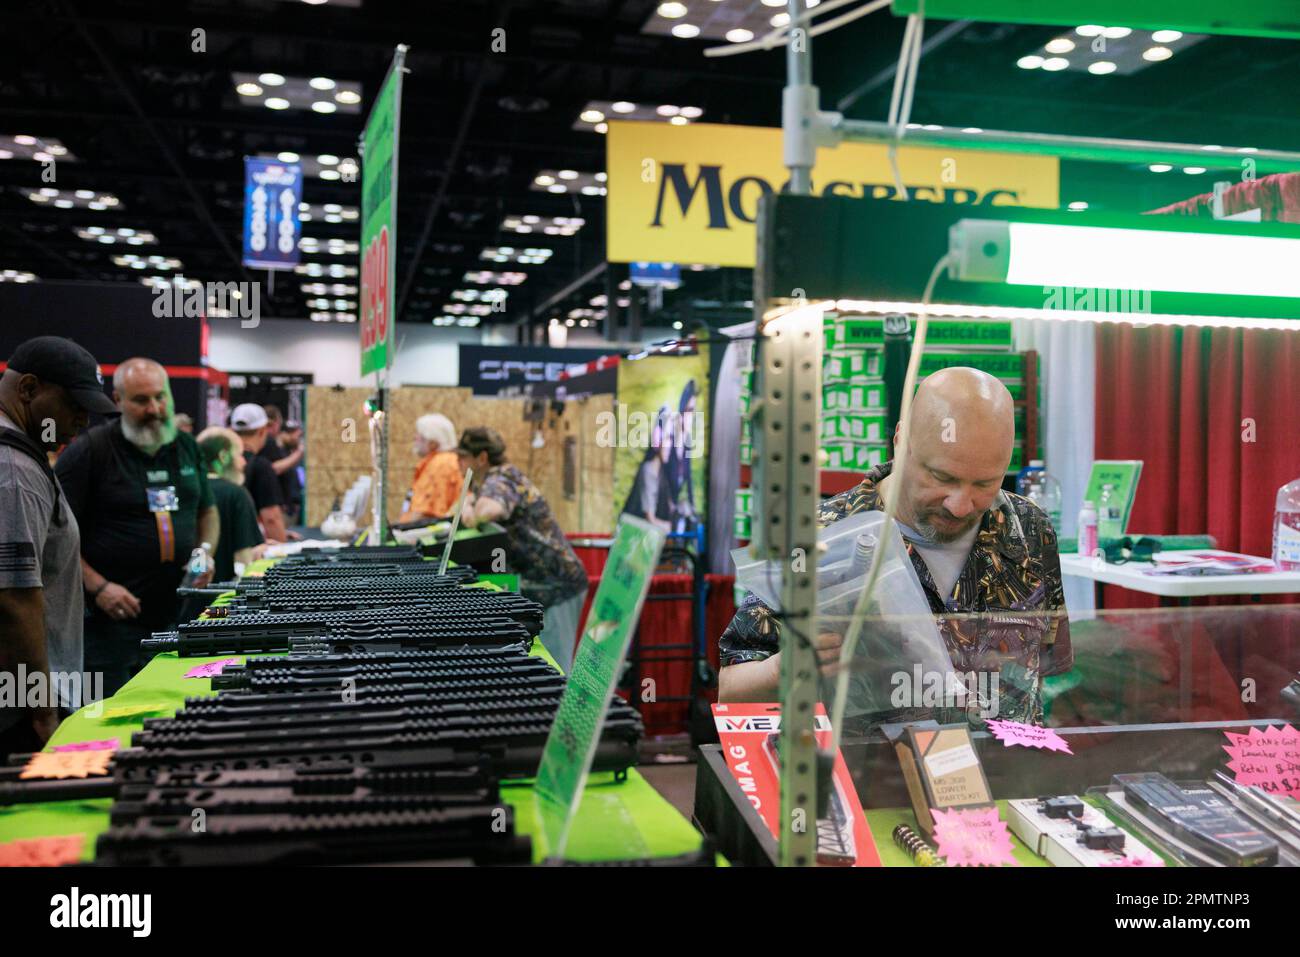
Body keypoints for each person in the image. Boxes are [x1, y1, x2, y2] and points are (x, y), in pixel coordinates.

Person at [718, 367, 1071, 726]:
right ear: (901, 442)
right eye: (942, 477)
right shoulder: (820, 539)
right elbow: (731, 691)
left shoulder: (1029, 528)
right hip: (877, 776)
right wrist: (784, 669)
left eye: (986, 483)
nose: (960, 505)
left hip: (1005, 773)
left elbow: (1048, 668)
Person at [55, 357, 219, 696]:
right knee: (108, 718)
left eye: (161, 398)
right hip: (108, 624)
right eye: (141, 400)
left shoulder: (186, 447)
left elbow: (208, 512)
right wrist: (99, 587)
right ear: (118, 401)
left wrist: (204, 552)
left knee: (173, 712)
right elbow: (54, 537)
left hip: (178, 614)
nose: (155, 409)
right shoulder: (90, 451)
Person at [0, 337, 116, 753]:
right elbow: (14, 597)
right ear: (28, 389)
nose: (83, 420)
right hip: (18, 712)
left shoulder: (22, 457)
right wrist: (41, 710)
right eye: (74, 405)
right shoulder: (14, 471)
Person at [455, 427, 588, 672]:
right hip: (544, 586)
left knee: (555, 670)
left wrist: (472, 512)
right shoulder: (496, 478)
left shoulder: (501, 479)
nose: (458, 463)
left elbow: (492, 509)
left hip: (556, 586)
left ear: (482, 458)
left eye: (463, 457)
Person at [196, 427, 265, 582]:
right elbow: (243, 558)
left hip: (190, 592)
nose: (244, 462)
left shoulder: (189, 490)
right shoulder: (236, 494)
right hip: (221, 599)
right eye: (239, 455)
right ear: (223, 456)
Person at [229, 404, 288, 543]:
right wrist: (282, 550)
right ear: (262, 431)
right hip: (247, 550)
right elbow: (271, 518)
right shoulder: (261, 467)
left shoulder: (219, 462)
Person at [399, 413, 463, 523]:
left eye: (419, 435)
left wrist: (402, 534)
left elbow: (424, 513)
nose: (415, 437)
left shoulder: (440, 465)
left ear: (433, 443)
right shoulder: (444, 461)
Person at [619, 405, 673, 531]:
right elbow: (650, 518)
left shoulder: (661, 472)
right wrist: (670, 527)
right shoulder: (649, 470)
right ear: (657, 438)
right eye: (667, 438)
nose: (670, 445)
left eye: (671, 439)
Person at [259, 405, 304, 525]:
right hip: (276, 507)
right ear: (276, 422)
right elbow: (275, 468)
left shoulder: (273, 442)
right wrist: (298, 453)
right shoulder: (268, 442)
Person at [665, 380, 699, 534]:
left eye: (694, 411)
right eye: (689, 410)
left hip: (676, 508)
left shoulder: (686, 441)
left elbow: (688, 477)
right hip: (662, 509)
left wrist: (691, 506)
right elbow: (662, 476)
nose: (692, 417)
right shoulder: (670, 439)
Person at [277, 418, 305, 524]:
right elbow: (278, 469)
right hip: (282, 510)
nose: (298, 440)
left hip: (290, 508)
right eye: (297, 436)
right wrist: (299, 452)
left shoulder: (287, 451)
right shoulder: (276, 451)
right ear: (285, 433)